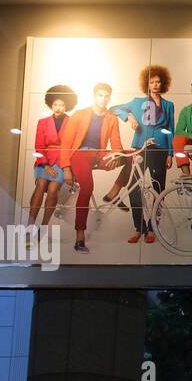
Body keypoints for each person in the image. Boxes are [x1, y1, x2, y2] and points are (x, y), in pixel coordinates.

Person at [109, 65, 176, 244]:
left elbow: (171, 129)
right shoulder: (137, 101)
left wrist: (170, 153)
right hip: (140, 147)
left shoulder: (169, 105)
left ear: (163, 83)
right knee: (133, 186)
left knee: (158, 188)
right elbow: (113, 108)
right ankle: (139, 228)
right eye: (152, 82)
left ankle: (153, 228)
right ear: (147, 84)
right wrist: (129, 117)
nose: (155, 85)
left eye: (158, 82)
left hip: (160, 149)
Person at [60, 82, 124, 254]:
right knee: (87, 188)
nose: (103, 99)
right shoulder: (79, 114)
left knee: (131, 156)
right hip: (79, 155)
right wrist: (66, 168)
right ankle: (80, 236)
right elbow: (66, 143)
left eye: (106, 96)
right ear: (94, 96)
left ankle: (114, 192)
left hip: (99, 155)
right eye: (100, 95)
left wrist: (117, 155)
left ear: (110, 98)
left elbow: (116, 143)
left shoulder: (111, 118)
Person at [27, 85, 76, 233]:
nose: (58, 108)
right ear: (51, 104)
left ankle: (43, 227)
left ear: (67, 106)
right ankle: (30, 225)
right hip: (44, 161)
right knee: (41, 185)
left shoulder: (72, 122)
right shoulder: (42, 122)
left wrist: (67, 167)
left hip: (62, 162)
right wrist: (45, 165)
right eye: (55, 104)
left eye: (62, 105)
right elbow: (39, 146)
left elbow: (73, 146)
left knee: (53, 189)